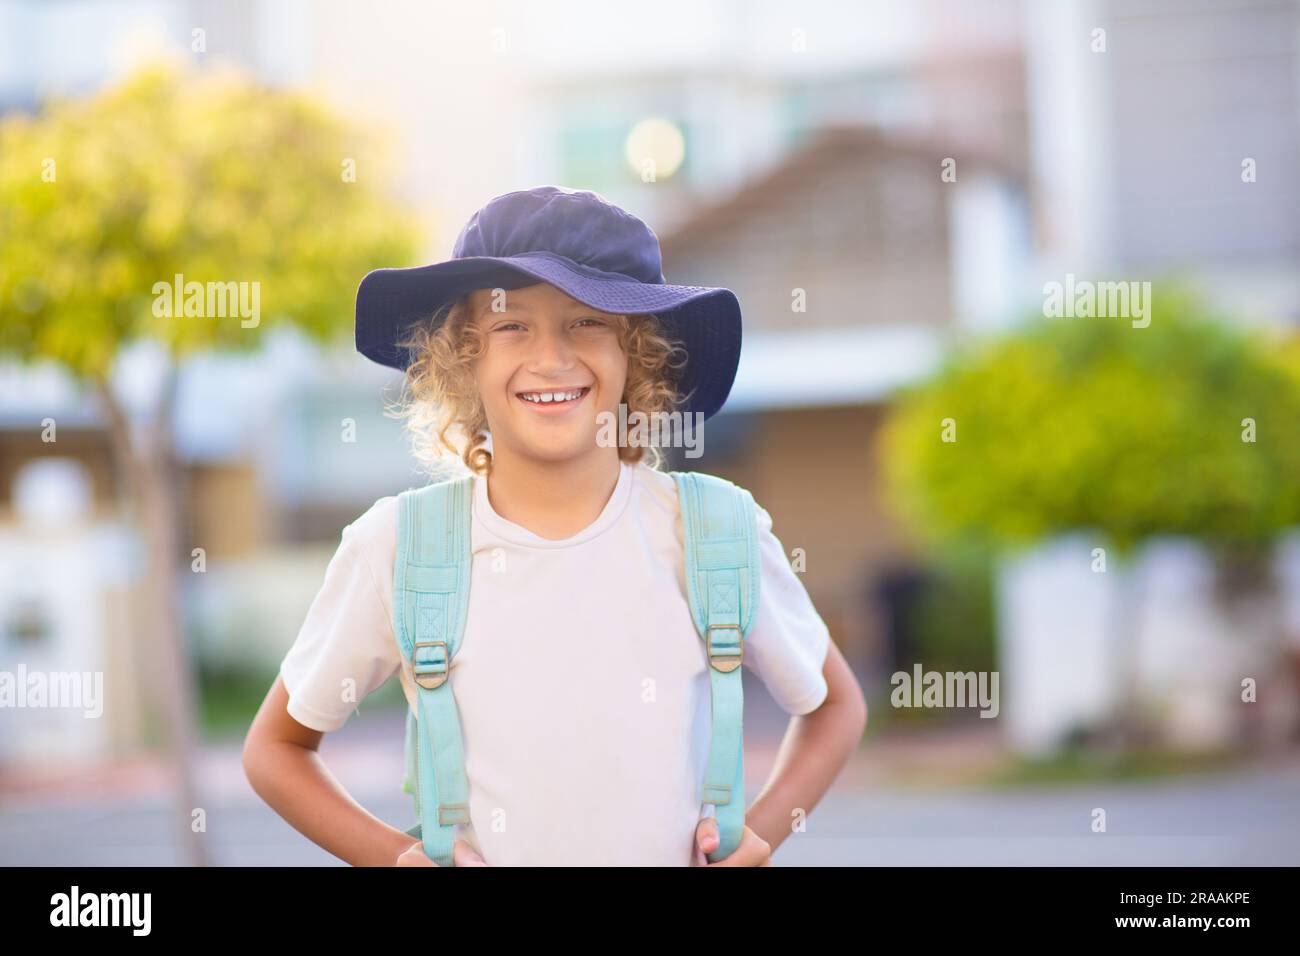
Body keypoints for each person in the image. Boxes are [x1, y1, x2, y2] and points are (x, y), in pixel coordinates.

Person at [243, 186, 867, 866]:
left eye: (587, 323)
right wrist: (397, 859)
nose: (551, 358)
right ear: (463, 359)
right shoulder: (399, 548)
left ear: (640, 357)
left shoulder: (715, 532)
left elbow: (835, 707)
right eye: (512, 325)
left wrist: (757, 836)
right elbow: (275, 751)